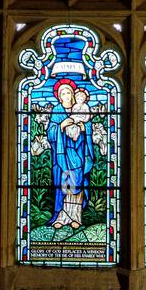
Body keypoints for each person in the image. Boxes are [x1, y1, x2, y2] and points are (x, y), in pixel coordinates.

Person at [47, 79, 95, 230]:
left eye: (69, 92)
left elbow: (88, 126)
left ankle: (76, 217)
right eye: (63, 93)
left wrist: (83, 127)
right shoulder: (57, 111)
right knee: (65, 183)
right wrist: (61, 126)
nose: (67, 95)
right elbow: (50, 132)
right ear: (59, 97)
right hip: (62, 156)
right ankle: (62, 216)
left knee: (78, 182)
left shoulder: (79, 108)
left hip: (79, 153)